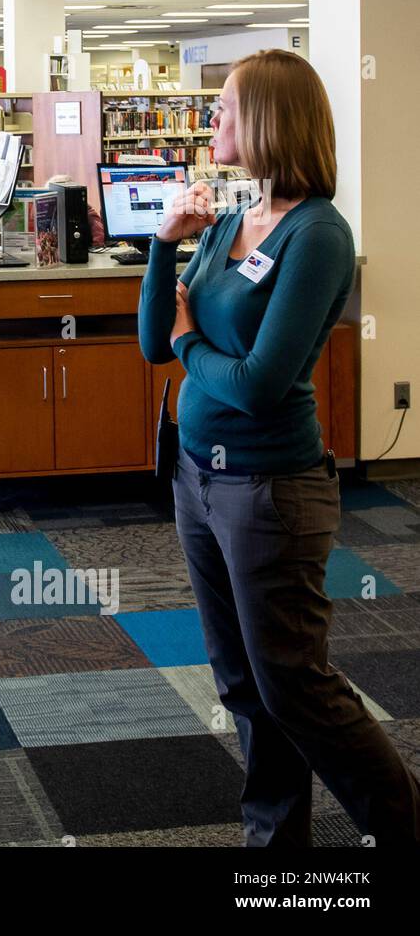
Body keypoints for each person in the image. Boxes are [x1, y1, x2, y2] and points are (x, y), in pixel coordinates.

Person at [140, 49, 420, 846]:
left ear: (268, 118)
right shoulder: (230, 221)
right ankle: (275, 848)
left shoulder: (319, 234)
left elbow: (260, 383)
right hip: (198, 478)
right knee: (241, 684)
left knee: (295, 684)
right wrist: (165, 244)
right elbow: (154, 343)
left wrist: (193, 340)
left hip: (269, 489)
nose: (213, 119)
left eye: (226, 106)